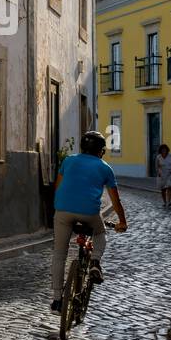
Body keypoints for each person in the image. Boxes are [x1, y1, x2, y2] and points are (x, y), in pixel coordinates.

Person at [49, 130, 127, 314]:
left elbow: (58, 186)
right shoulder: (105, 167)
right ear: (101, 151)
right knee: (100, 233)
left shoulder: (68, 161)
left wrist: (61, 205)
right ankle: (95, 262)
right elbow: (115, 201)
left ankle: (57, 301)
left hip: (62, 211)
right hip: (89, 213)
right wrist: (122, 221)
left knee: (59, 255)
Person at [155, 143, 171, 208]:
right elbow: (156, 166)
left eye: (165, 149)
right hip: (161, 175)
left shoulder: (170, 156)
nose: (164, 150)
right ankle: (165, 202)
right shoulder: (158, 157)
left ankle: (169, 202)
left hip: (169, 173)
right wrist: (158, 172)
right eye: (162, 149)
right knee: (163, 189)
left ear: (167, 150)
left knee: (169, 187)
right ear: (160, 150)